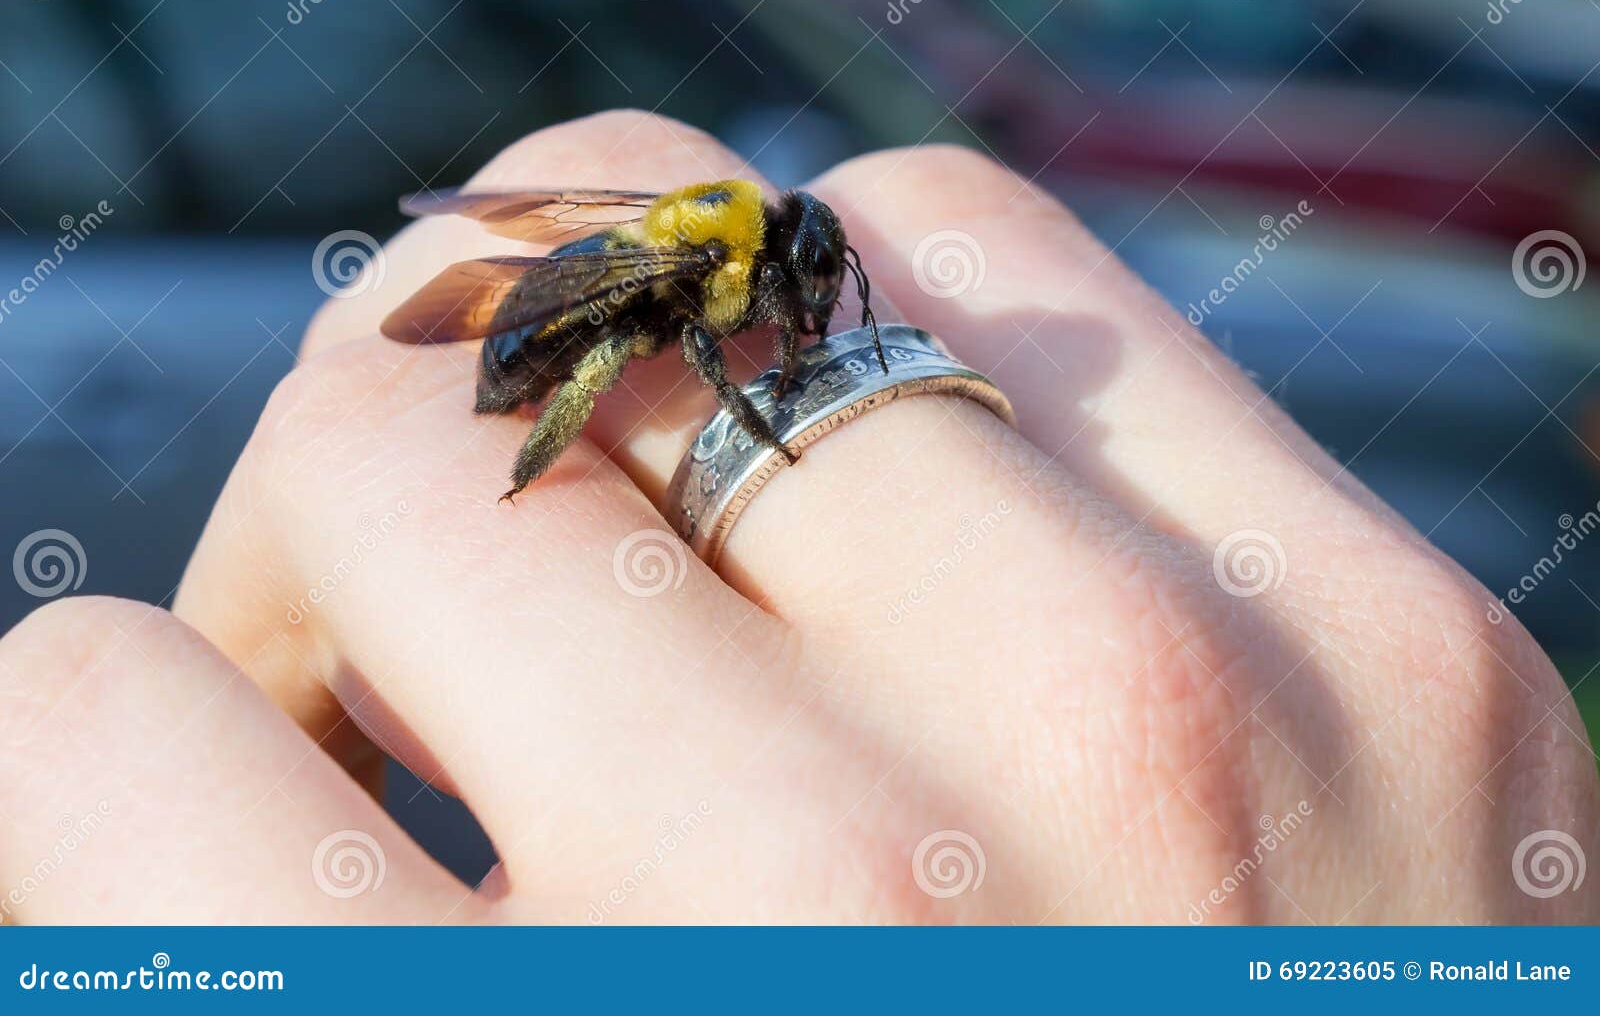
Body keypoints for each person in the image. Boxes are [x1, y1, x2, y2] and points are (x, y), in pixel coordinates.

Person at [2, 111, 1594, 923]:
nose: (813, 292)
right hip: (550, 324)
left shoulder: (745, 229)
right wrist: (749, 418)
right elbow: (644, 319)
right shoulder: (701, 261)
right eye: (807, 283)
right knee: (627, 350)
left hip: (556, 274)